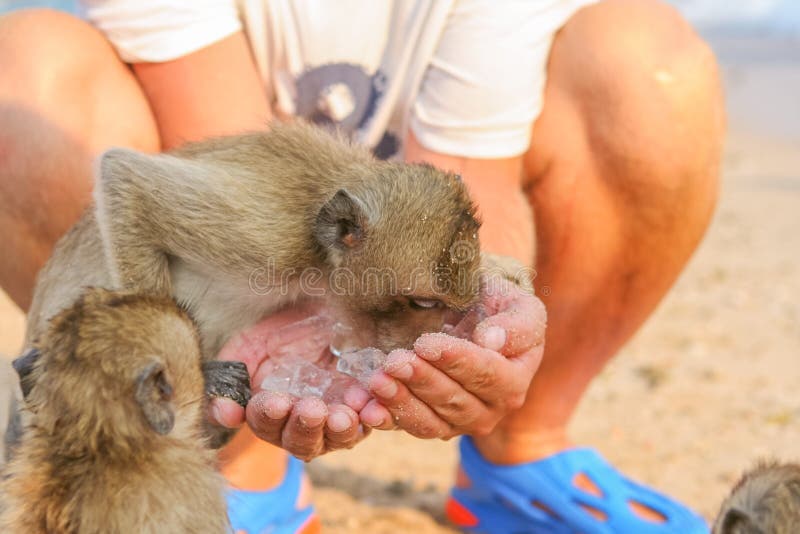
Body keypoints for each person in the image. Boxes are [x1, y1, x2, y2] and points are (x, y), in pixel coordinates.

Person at [0, 0, 724, 532]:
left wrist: (492, 329)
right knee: (26, 67)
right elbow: (199, 147)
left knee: (645, 61)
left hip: (385, 219)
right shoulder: (271, 231)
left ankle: (521, 447)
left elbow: (470, 177)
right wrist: (184, 349)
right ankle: (235, 467)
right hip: (226, 215)